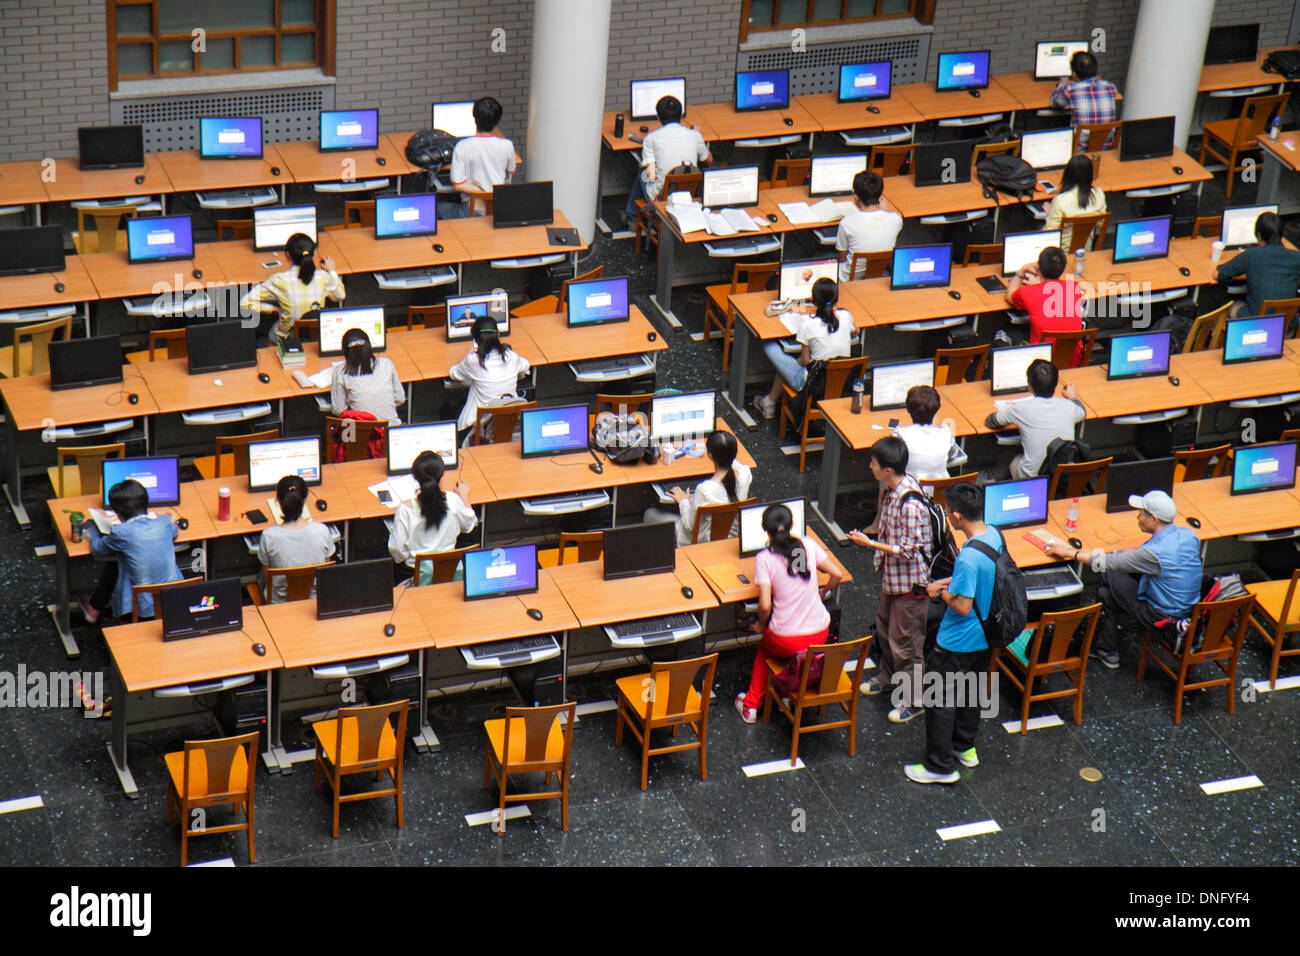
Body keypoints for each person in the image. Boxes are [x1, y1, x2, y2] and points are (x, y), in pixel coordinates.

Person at [1045, 490, 1201, 670]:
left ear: (1154, 519)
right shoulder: (1188, 535)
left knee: (1107, 575)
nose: (1138, 516)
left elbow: (1109, 562)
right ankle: (1105, 648)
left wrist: (1070, 553)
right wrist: (1132, 555)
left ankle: (1100, 643)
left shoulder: (1153, 554)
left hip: (1161, 617)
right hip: (1189, 610)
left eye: (1142, 513)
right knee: (1106, 593)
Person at [906, 482, 996, 784]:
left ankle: (938, 766)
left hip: (957, 640)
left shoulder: (969, 557)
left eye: (947, 511)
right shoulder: (994, 536)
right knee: (971, 693)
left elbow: (961, 606)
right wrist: (950, 581)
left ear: (956, 516)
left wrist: (938, 592)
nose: (946, 515)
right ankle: (964, 746)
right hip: (986, 635)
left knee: (940, 700)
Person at [848, 437, 932, 723]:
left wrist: (868, 544)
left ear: (887, 469)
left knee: (906, 643)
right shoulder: (894, 489)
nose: (869, 465)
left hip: (910, 584)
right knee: (884, 629)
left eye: (873, 462)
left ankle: (915, 699)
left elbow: (908, 550)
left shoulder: (909, 503)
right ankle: (889, 676)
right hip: (893, 579)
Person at [737, 504, 842, 723]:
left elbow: (765, 606)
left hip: (786, 640)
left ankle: (751, 705)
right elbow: (837, 573)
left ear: (765, 530)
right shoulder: (809, 545)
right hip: (819, 634)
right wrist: (824, 591)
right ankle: (784, 693)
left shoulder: (765, 558)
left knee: (765, 648)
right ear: (793, 525)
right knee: (789, 651)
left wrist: (759, 625)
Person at [78, 479, 183, 623]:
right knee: (124, 559)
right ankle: (95, 607)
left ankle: (95, 607)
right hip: (173, 599)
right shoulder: (164, 522)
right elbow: (174, 532)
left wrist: (94, 528)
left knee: (118, 560)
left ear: (117, 513)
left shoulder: (120, 533)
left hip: (139, 610)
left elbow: (98, 550)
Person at [754, 277, 855, 420]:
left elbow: (805, 360)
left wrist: (794, 360)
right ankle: (769, 402)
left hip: (813, 386)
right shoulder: (846, 316)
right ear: (836, 299)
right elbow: (856, 331)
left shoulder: (808, 324)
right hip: (842, 382)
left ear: (813, 299)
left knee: (772, 347)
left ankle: (769, 403)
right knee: (786, 365)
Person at [644, 429, 753, 546]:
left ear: (710, 456)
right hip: (729, 537)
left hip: (699, 539)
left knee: (649, 513)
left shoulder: (705, 489)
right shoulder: (745, 474)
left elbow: (689, 525)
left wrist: (683, 501)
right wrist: (726, 453)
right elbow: (735, 464)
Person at [985, 358, 1085, 479]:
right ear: (1056, 383)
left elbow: (991, 422)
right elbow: (1082, 412)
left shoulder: (1020, 408)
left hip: (1032, 477)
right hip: (1060, 475)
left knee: (1014, 445)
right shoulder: (1069, 406)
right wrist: (1073, 397)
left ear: (1029, 385)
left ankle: (991, 477)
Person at [388, 451, 478, 585]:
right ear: (441, 475)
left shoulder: (405, 510)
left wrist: (411, 558)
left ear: (415, 478)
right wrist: (463, 496)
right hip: (451, 573)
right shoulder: (453, 500)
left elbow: (396, 551)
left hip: (414, 576)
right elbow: (470, 524)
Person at [240, 233, 345, 343]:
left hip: (288, 337)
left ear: (288, 255)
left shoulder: (279, 280)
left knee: (273, 330)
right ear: (313, 254)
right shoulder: (323, 277)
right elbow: (340, 295)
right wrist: (332, 271)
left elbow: (245, 302)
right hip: (317, 334)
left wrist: (274, 309)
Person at [625, 95, 711, 226]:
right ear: (681, 115)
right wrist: (699, 138)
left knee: (642, 173)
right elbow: (708, 160)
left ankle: (631, 217)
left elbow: (651, 174)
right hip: (688, 193)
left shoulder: (651, 139)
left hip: (662, 196)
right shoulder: (695, 135)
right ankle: (631, 215)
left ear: (658, 118)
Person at [447, 315, 532, 438]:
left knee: (449, 408)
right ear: (498, 336)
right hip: (508, 424)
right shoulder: (512, 357)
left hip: (477, 428)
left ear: (475, 340)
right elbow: (526, 365)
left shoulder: (473, 360)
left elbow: (454, 374)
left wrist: (470, 352)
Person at [256, 475, 335, 603]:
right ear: (304, 501)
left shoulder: (268, 536)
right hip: (314, 602)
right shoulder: (322, 531)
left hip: (279, 605)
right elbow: (326, 572)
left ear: (279, 503)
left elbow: (267, 578)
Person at [1005, 246, 1087, 366]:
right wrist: (1039, 285)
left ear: (1038, 268)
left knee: (1006, 331)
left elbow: (1009, 295)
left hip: (1040, 365)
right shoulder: (1074, 287)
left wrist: (1020, 273)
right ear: (1063, 269)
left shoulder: (1028, 292)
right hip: (1071, 363)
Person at [1215, 211, 1300, 319]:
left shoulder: (1252, 254)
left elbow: (1219, 275)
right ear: (1281, 234)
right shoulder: (1296, 257)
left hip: (1257, 325)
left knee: (1231, 306)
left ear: (1259, 236)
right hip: (1287, 326)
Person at [444, 96, 518, 219]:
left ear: (474, 118)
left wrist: (481, 189)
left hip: (471, 210)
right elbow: (511, 171)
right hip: (496, 211)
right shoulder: (507, 145)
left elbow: (458, 185)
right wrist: (491, 191)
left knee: (436, 208)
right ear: (497, 121)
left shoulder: (462, 147)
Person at [835, 170, 903, 281]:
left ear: (856, 197)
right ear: (880, 196)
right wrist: (887, 211)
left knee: (822, 253)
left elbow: (842, 257)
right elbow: (896, 217)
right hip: (880, 274)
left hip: (850, 278)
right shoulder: (896, 219)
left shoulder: (846, 223)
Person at [330, 328, 404, 425]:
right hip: (391, 431)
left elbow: (339, 410)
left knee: (346, 428)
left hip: (362, 436)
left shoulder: (340, 372)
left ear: (344, 351)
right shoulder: (387, 364)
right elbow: (400, 398)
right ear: (369, 346)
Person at [1049, 51, 1119, 150]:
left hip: (1079, 151)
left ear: (1074, 74)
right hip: (1106, 149)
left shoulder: (1071, 89)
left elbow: (1055, 103)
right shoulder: (1111, 87)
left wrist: (1061, 85)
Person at [895, 385, 960, 483]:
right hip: (940, 493)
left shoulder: (900, 434)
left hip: (911, 492)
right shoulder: (946, 433)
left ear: (908, 409)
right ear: (936, 410)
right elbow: (953, 454)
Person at [1044, 154, 1108, 235]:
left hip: (1062, 246)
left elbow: (1050, 232)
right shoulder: (1099, 194)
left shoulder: (1060, 201)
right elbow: (1100, 223)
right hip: (1087, 247)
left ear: (1067, 174)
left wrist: (1049, 213)